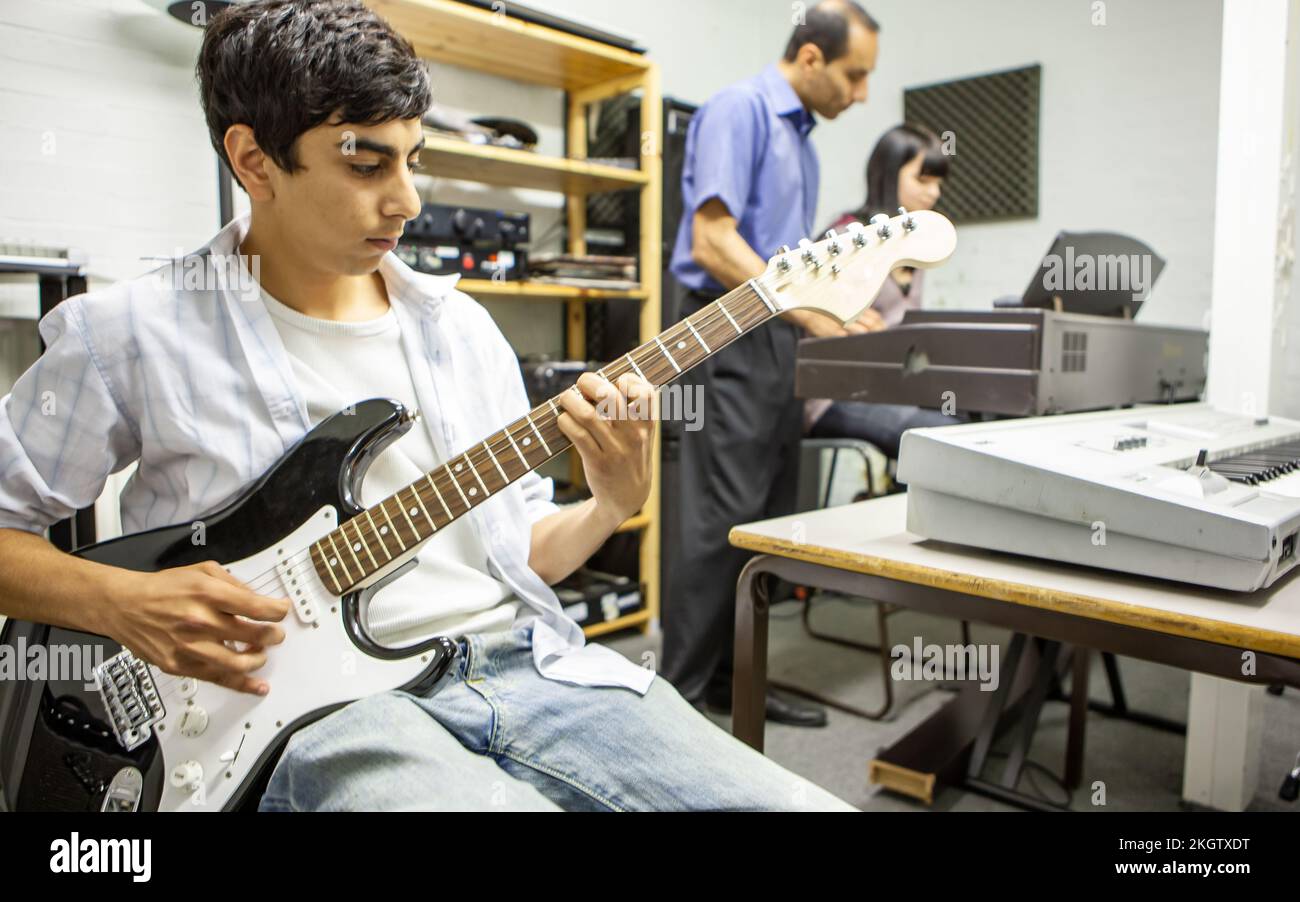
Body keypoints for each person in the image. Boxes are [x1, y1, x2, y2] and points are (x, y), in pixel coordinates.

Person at [0, 0, 854, 812]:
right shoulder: (132, 332)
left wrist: (610, 505)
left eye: (415, 158)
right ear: (253, 160)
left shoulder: (462, 329)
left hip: (517, 664)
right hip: (316, 714)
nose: (407, 199)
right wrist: (117, 603)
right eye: (366, 163)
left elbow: (523, 557)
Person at [664, 1, 881, 727]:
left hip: (772, 330)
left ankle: (737, 679)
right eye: (855, 75)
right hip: (725, 328)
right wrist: (806, 312)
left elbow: (787, 261)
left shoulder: (806, 145)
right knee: (721, 515)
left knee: (768, 514)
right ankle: (679, 699)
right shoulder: (739, 109)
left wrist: (840, 306)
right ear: (812, 57)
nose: (862, 94)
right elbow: (712, 241)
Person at [806, 124, 964, 462]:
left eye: (938, 183)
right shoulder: (845, 238)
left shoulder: (918, 247)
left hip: (892, 390)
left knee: (973, 423)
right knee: (940, 437)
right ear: (889, 176)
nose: (934, 193)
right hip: (833, 397)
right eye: (922, 181)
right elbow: (807, 318)